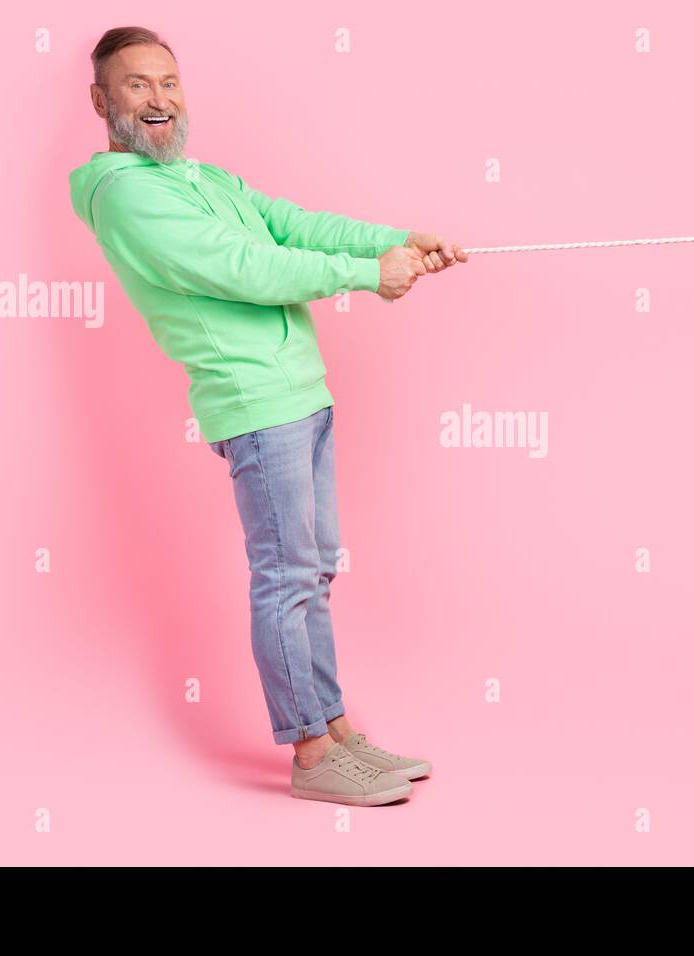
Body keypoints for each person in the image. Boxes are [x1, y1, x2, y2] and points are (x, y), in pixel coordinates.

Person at [68, 26, 467, 807]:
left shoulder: (202, 176)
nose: (159, 100)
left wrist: (394, 240)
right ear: (101, 102)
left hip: (301, 392)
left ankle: (338, 727)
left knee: (314, 567)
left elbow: (288, 224)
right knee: (285, 577)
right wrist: (365, 275)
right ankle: (311, 752)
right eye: (137, 85)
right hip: (255, 404)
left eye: (169, 82)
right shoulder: (126, 196)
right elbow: (244, 267)